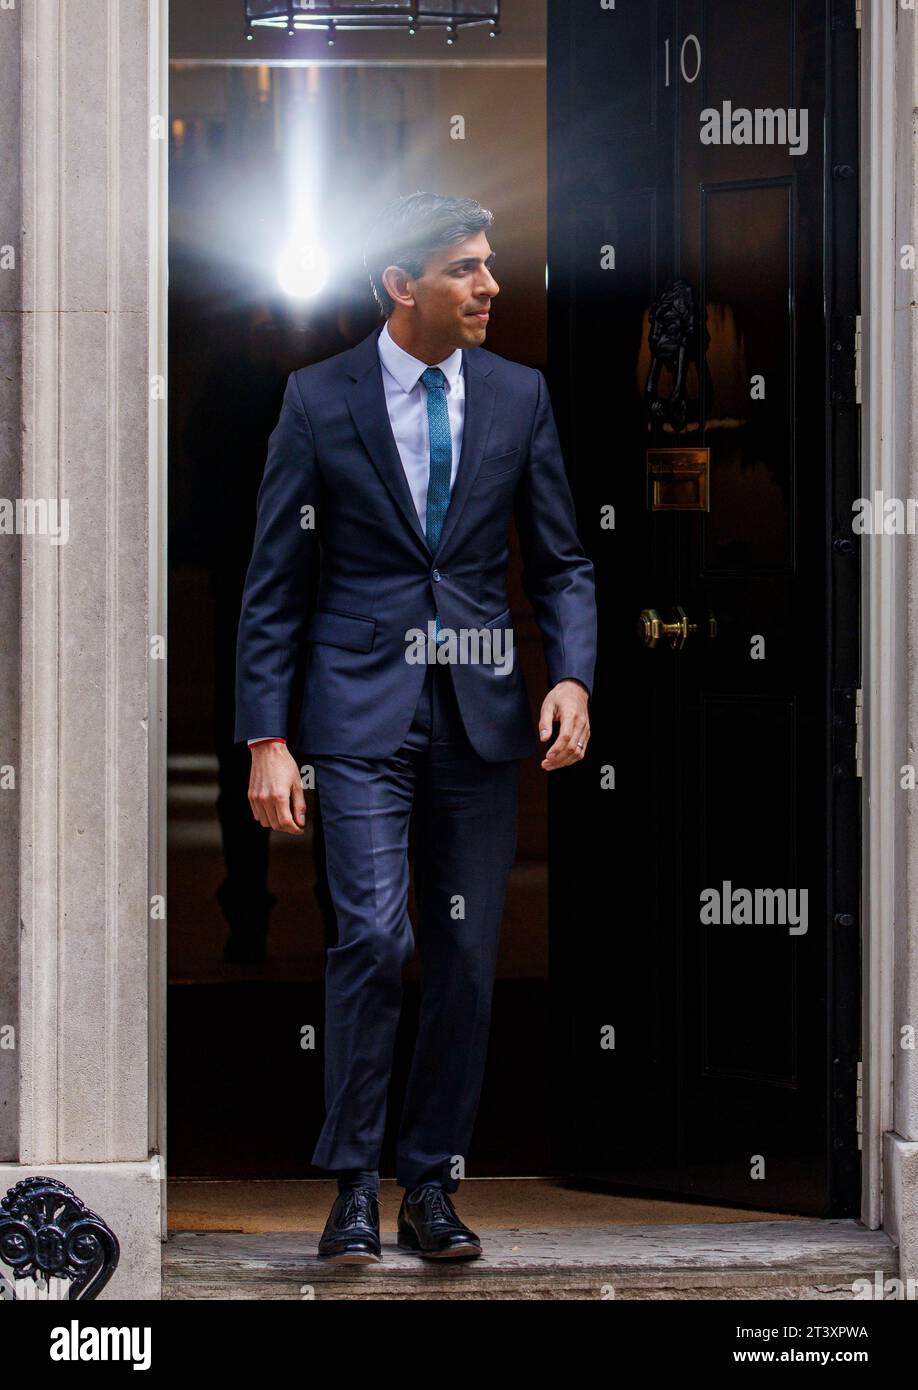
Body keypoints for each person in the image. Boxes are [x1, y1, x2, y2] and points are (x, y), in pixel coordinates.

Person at [234, 192, 597, 1263]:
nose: (491, 286)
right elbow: (272, 587)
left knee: (466, 957)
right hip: (355, 716)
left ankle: (431, 1184)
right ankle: (352, 1184)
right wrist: (267, 734)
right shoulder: (315, 400)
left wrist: (573, 676)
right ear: (401, 285)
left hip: (479, 717)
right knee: (373, 938)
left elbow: (566, 559)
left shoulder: (521, 398)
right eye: (465, 269)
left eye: (489, 265)